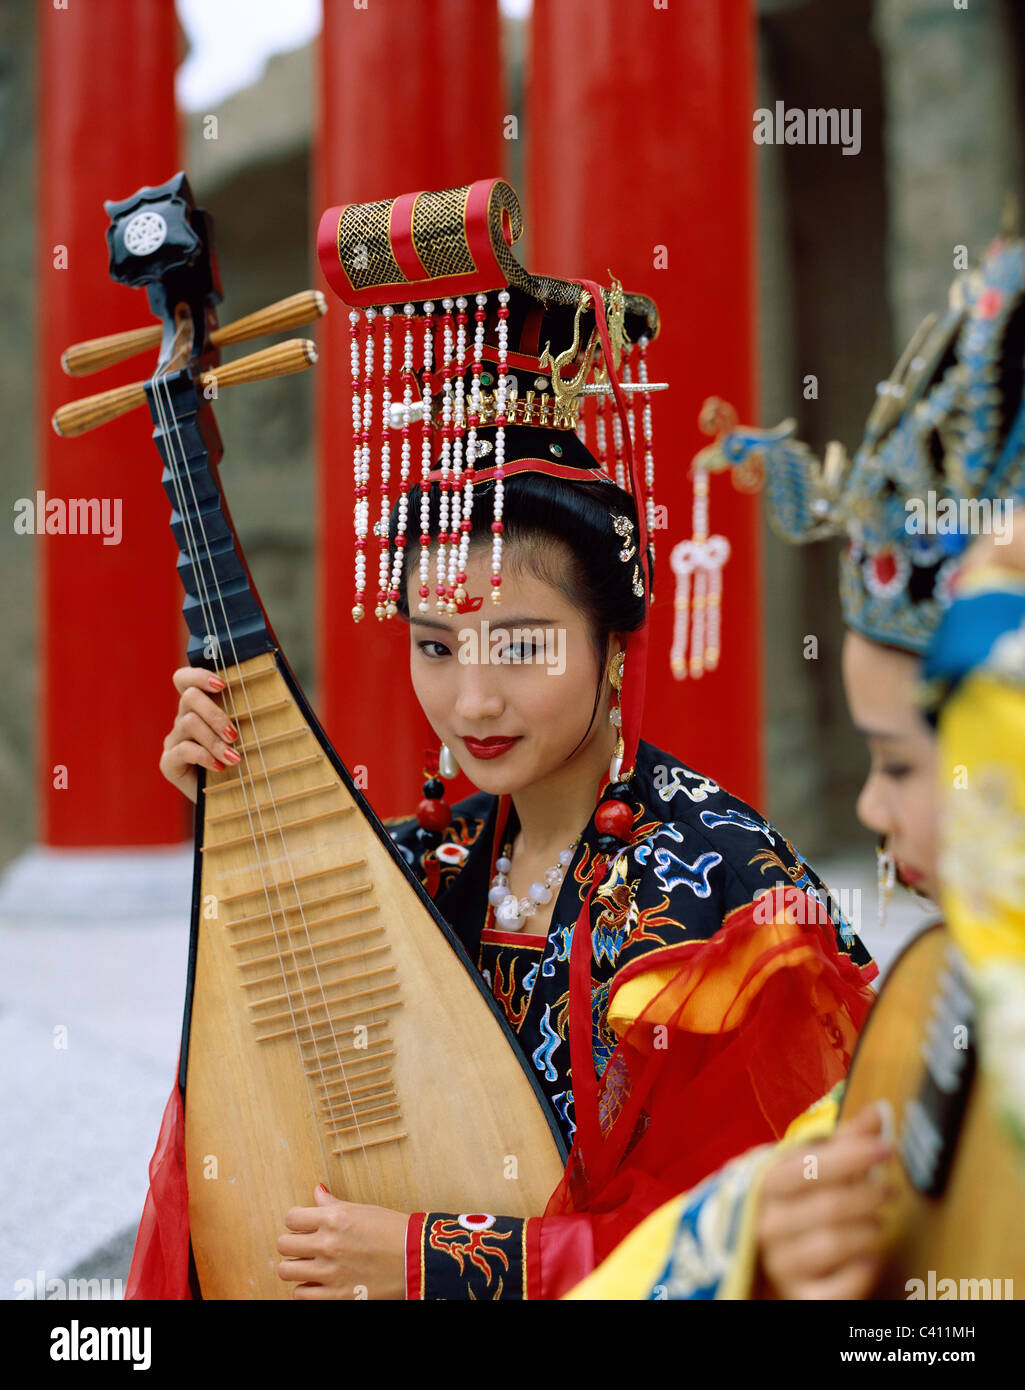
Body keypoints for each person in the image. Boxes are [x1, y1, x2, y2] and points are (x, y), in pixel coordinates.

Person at [136, 180, 877, 1300]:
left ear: (611, 642)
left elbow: (760, 1240)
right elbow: (249, 1105)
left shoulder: (721, 899)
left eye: (521, 645)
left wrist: (431, 1260)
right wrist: (226, 805)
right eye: (434, 645)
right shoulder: (425, 864)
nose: (471, 699)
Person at [564, 225, 1025, 1299]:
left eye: (902, 764)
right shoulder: (944, 1000)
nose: (868, 803)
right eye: (434, 642)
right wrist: (758, 1239)